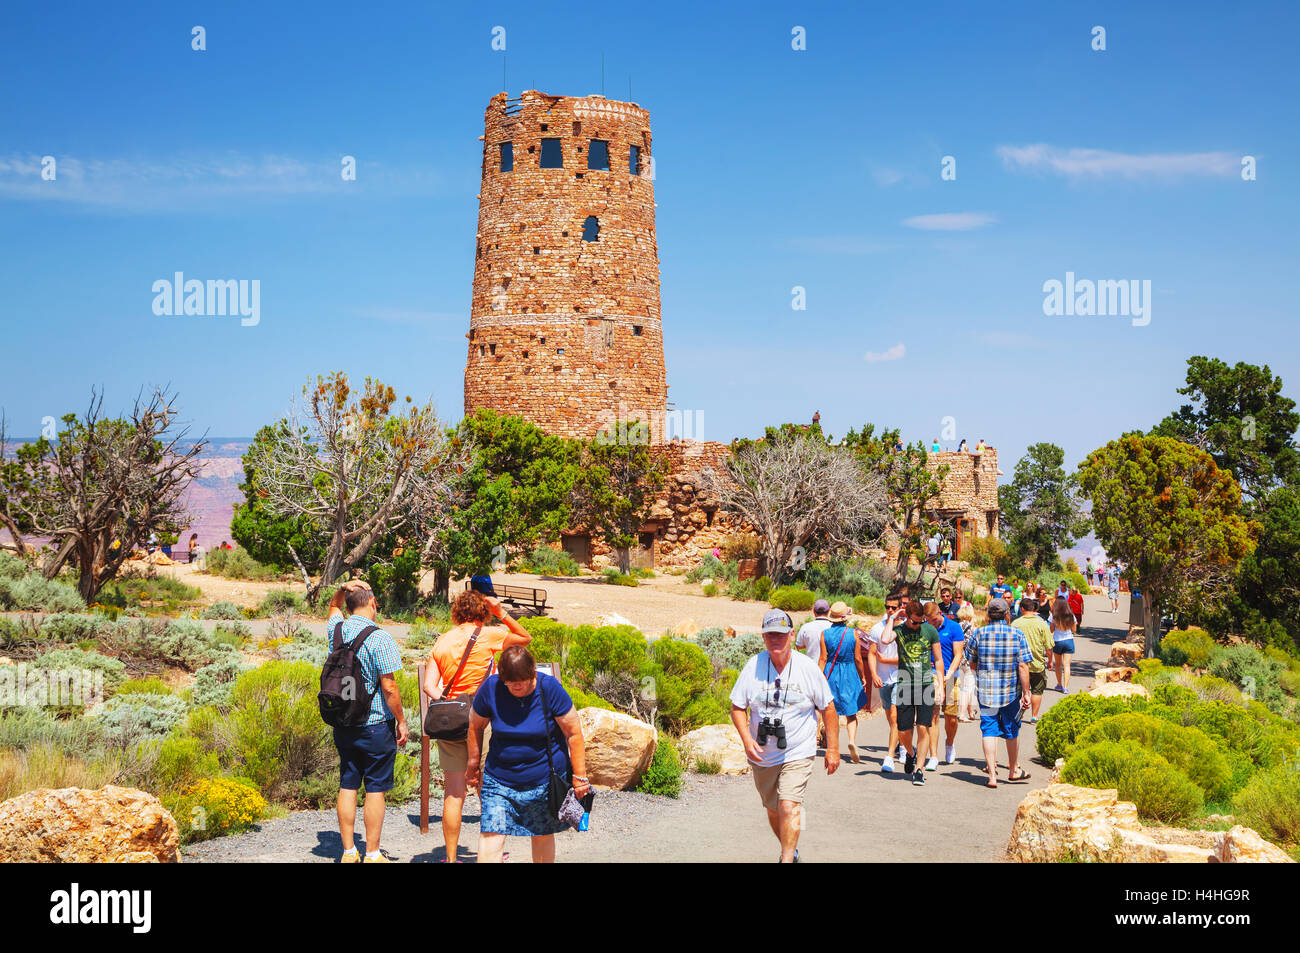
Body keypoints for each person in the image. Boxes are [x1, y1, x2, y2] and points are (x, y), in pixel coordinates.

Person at [424, 588, 532, 862]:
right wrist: (501, 612)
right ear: (481, 614)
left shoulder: (442, 641)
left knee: (453, 792)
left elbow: (429, 686)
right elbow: (525, 638)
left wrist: (454, 702)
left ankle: (450, 858)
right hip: (482, 719)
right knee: (489, 788)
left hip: (451, 722)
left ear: (456, 612)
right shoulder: (490, 635)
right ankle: (493, 853)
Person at [730, 609, 839, 862]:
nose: (775, 640)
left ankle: (786, 858)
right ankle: (793, 849)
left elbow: (828, 707)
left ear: (792, 635)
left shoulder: (807, 667)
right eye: (770, 635)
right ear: (763, 637)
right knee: (773, 809)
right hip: (763, 753)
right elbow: (737, 707)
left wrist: (833, 748)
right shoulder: (753, 665)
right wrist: (747, 740)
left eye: (780, 635)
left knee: (789, 805)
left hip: (798, 750)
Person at [466, 646, 589, 863]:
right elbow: (475, 726)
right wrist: (473, 765)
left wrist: (579, 777)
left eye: (522, 681)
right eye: (510, 682)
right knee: (491, 832)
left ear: (532, 673)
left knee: (541, 833)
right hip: (499, 779)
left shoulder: (549, 688)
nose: (516, 686)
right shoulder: (492, 688)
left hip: (542, 779)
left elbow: (573, 733)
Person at [325, 580, 408, 863]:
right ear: (372, 603)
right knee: (375, 789)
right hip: (374, 725)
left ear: (349, 604)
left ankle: (348, 851)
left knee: (347, 784)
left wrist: (342, 586)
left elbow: (333, 606)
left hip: (343, 722)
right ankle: (372, 853)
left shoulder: (336, 630)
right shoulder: (380, 638)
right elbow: (390, 688)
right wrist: (401, 721)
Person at [963, 598, 1032, 788]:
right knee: (1011, 729)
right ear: (1007, 614)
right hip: (1010, 691)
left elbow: (971, 662)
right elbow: (1023, 666)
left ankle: (992, 775)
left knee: (988, 729)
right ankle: (1013, 770)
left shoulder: (979, 633)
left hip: (986, 691)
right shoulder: (1017, 634)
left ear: (988, 615)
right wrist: (1026, 692)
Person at [891, 600, 944, 785]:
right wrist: (892, 618)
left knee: (923, 726)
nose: (917, 625)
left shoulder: (930, 631)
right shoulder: (899, 630)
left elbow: (938, 660)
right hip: (905, 682)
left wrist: (941, 686)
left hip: (925, 683)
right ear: (906, 617)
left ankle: (919, 769)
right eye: (914, 622)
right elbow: (884, 639)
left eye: (920, 621)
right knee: (903, 730)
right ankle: (911, 754)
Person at [818, 602, 867, 764]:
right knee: (851, 713)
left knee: (832, 713)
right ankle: (852, 740)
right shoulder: (853, 634)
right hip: (849, 673)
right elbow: (858, 659)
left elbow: (823, 659)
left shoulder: (824, 634)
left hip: (831, 674)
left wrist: (818, 678)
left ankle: (834, 746)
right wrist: (862, 677)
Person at [867, 595, 906, 772]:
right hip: (883, 679)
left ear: (900, 608)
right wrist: (874, 674)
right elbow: (871, 653)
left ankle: (890, 756)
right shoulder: (877, 628)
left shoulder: (906, 628)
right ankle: (903, 744)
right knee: (891, 718)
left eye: (894, 607)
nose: (890, 610)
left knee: (895, 718)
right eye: (887, 607)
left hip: (901, 678)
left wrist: (888, 660)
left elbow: (908, 657)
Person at [923, 601, 965, 765]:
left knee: (951, 717)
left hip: (950, 676)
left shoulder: (954, 627)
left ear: (939, 613)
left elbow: (958, 654)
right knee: (933, 714)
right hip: (931, 675)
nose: (931, 624)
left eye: (933, 620)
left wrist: (948, 674)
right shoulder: (925, 628)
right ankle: (933, 755)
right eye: (928, 621)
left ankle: (949, 743)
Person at [796, 599, 833, 744]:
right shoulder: (833, 627)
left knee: (814, 704)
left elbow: (799, 646)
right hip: (830, 670)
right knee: (828, 703)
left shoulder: (806, 627)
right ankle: (825, 730)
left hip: (810, 669)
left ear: (813, 611)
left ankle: (816, 732)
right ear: (829, 611)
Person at [1011, 597, 1053, 722]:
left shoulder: (1015, 623)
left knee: (1019, 691)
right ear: (1033, 608)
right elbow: (1049, 646)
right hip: (1037, 663)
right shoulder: (1041, 623)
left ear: (1022, 608)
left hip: (1019, 664)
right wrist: (1050, 661)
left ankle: (1019, 714)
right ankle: (1034, 716)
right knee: (1037, 690)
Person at [1050, 598, 1078, 693]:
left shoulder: (1053, 616)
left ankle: (1059, 684)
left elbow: (1051, 630)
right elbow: (1074, 630)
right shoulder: (1071, 615)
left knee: (1058, 664)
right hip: (1069, 640)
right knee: (1067, 665)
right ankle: (1065, 687)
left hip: (1057, 641)